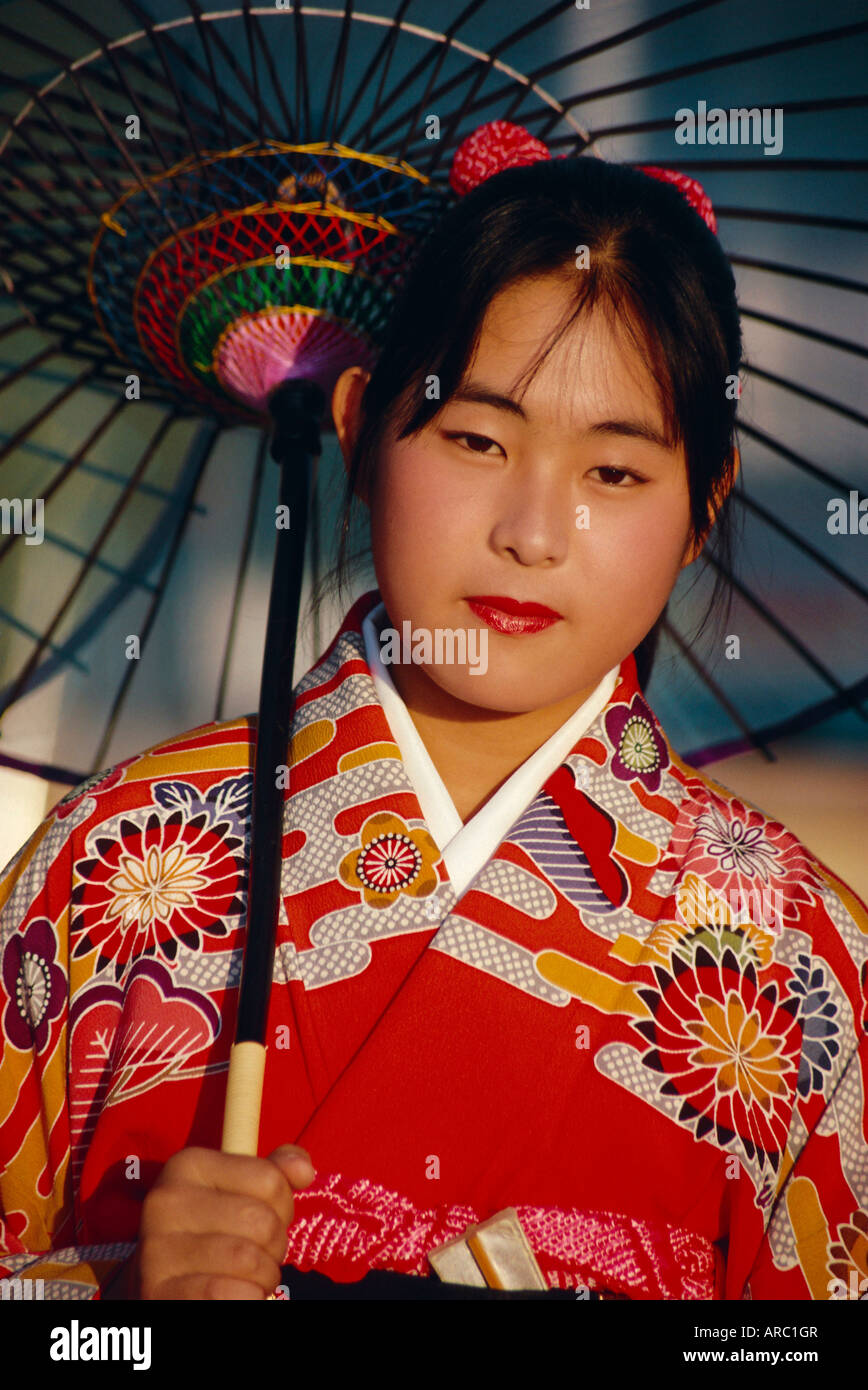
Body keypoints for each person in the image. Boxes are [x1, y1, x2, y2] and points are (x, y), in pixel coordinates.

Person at [1, 133, 866, 1303]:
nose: (532, 531)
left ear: (701, 503)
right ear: (359, 430)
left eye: (613, 472)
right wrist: (116, 1313)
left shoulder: (800, 966)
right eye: (474, 438)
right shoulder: (114, 871)